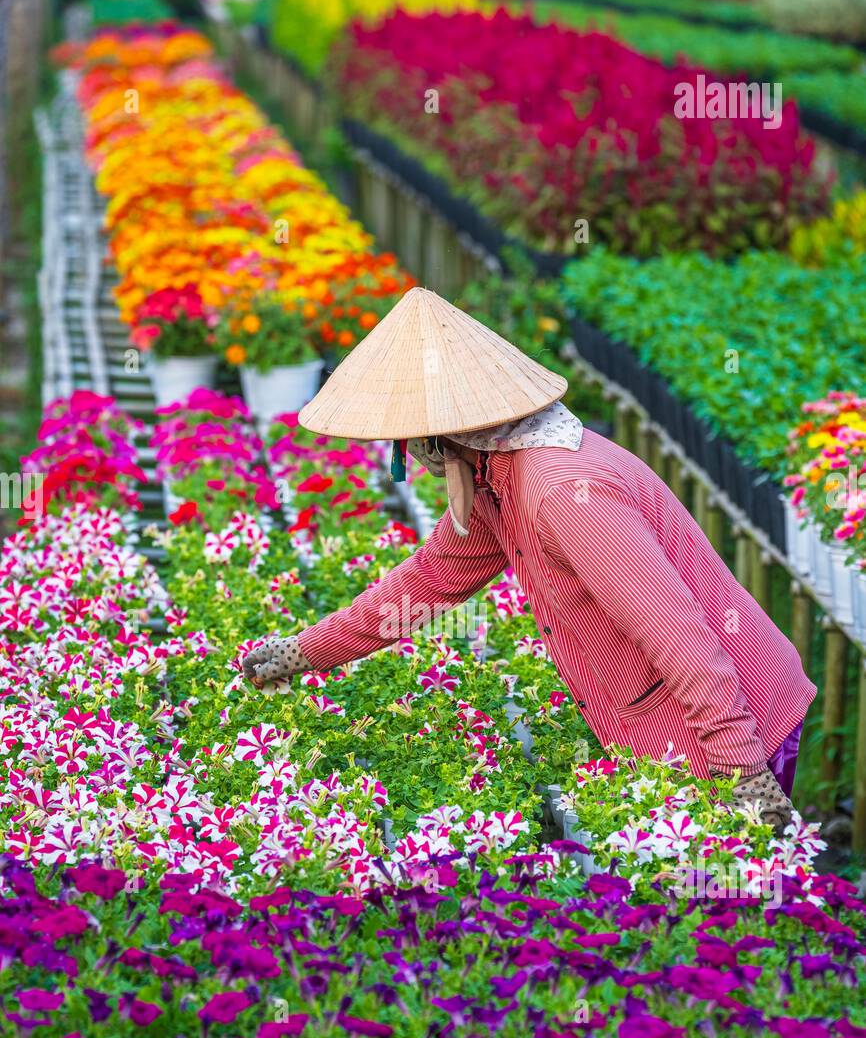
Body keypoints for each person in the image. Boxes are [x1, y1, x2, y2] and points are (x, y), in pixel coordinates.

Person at [244, 288, 815, 834]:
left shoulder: (562, 493)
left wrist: (741, 773)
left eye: (411, 442)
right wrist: (301, 651)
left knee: (740, 907)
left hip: (732, 724)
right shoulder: (496, 478)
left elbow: (678, 636)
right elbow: (427, 584)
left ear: (444, 437)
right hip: (676, 722)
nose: (410, 458)